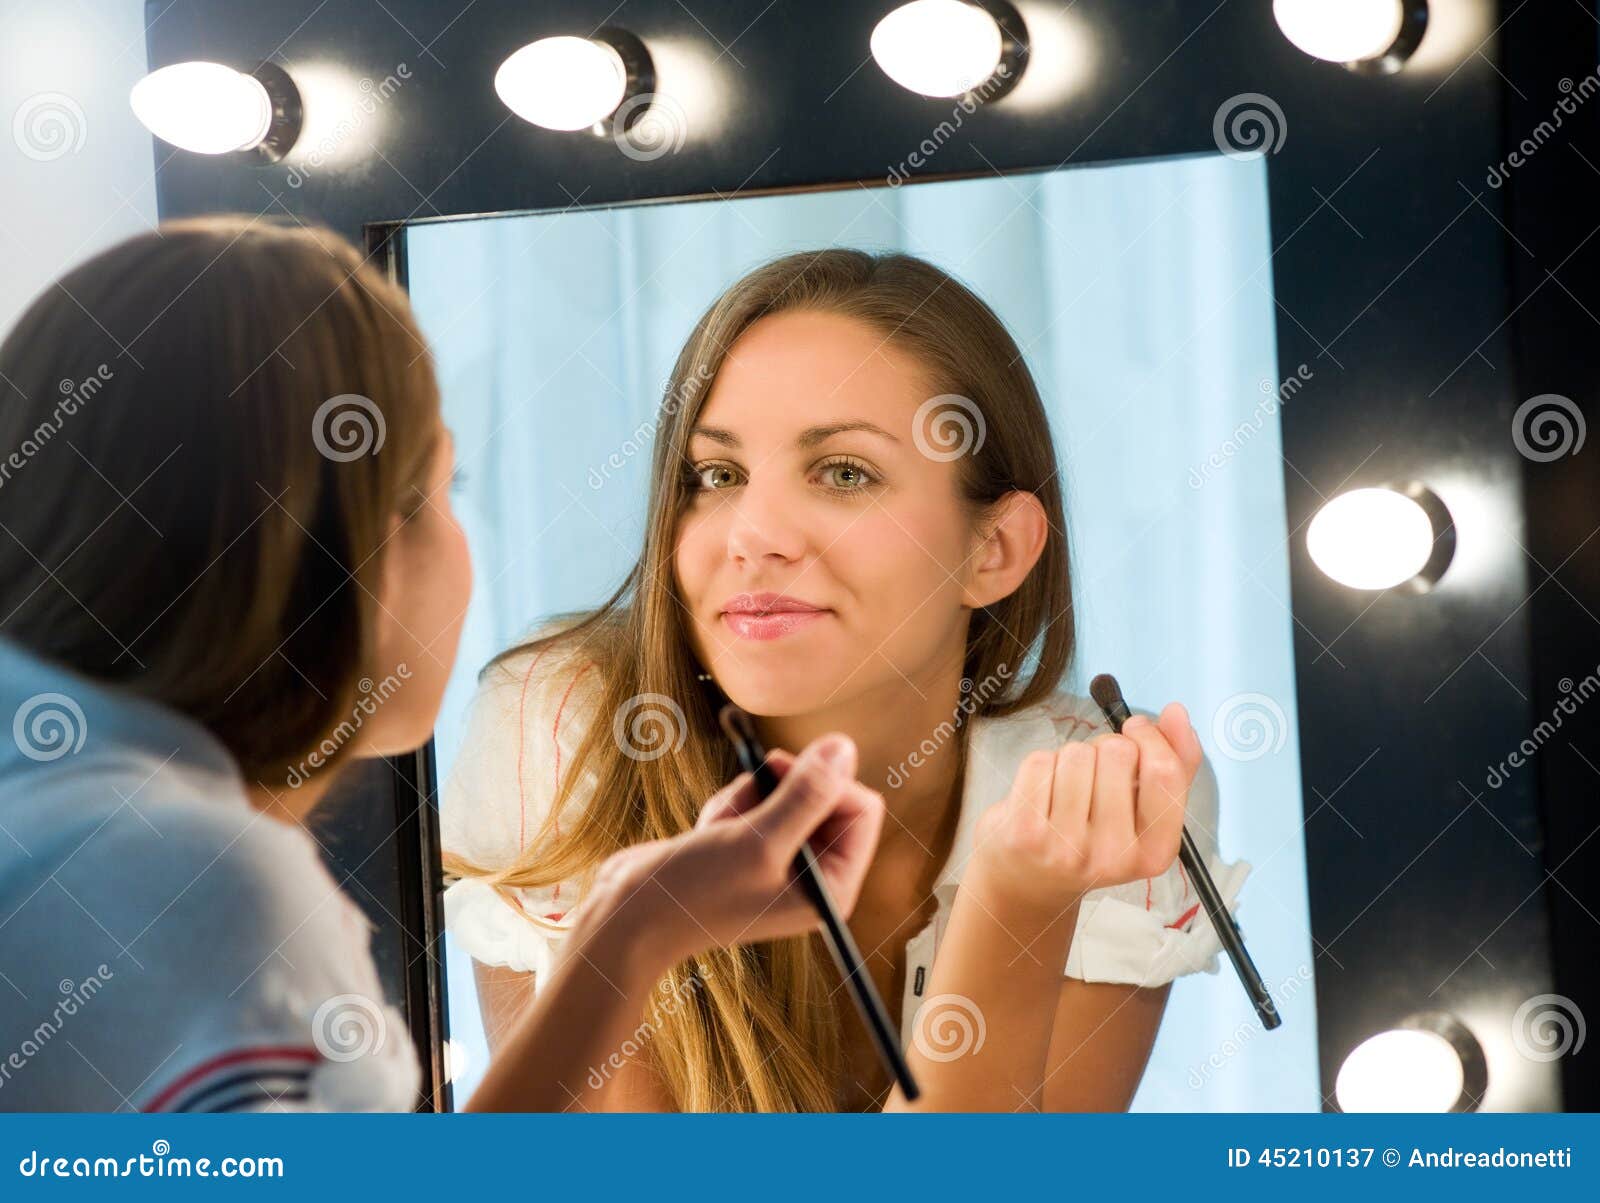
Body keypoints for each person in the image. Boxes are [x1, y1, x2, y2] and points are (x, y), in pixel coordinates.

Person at [0, 217, 884, 1113]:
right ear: (307, 550)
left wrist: (629, 928)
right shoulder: (210, 895)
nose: (758, 541)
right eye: (434, 489)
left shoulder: (63, 826)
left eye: (846, 473)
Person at [442, 248, 1253, 1112]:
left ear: (996, 549)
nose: (753, 535)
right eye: (717, 476)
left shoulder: (1100, 800)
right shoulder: (567, 731)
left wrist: (1022, 902)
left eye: (843, 473)